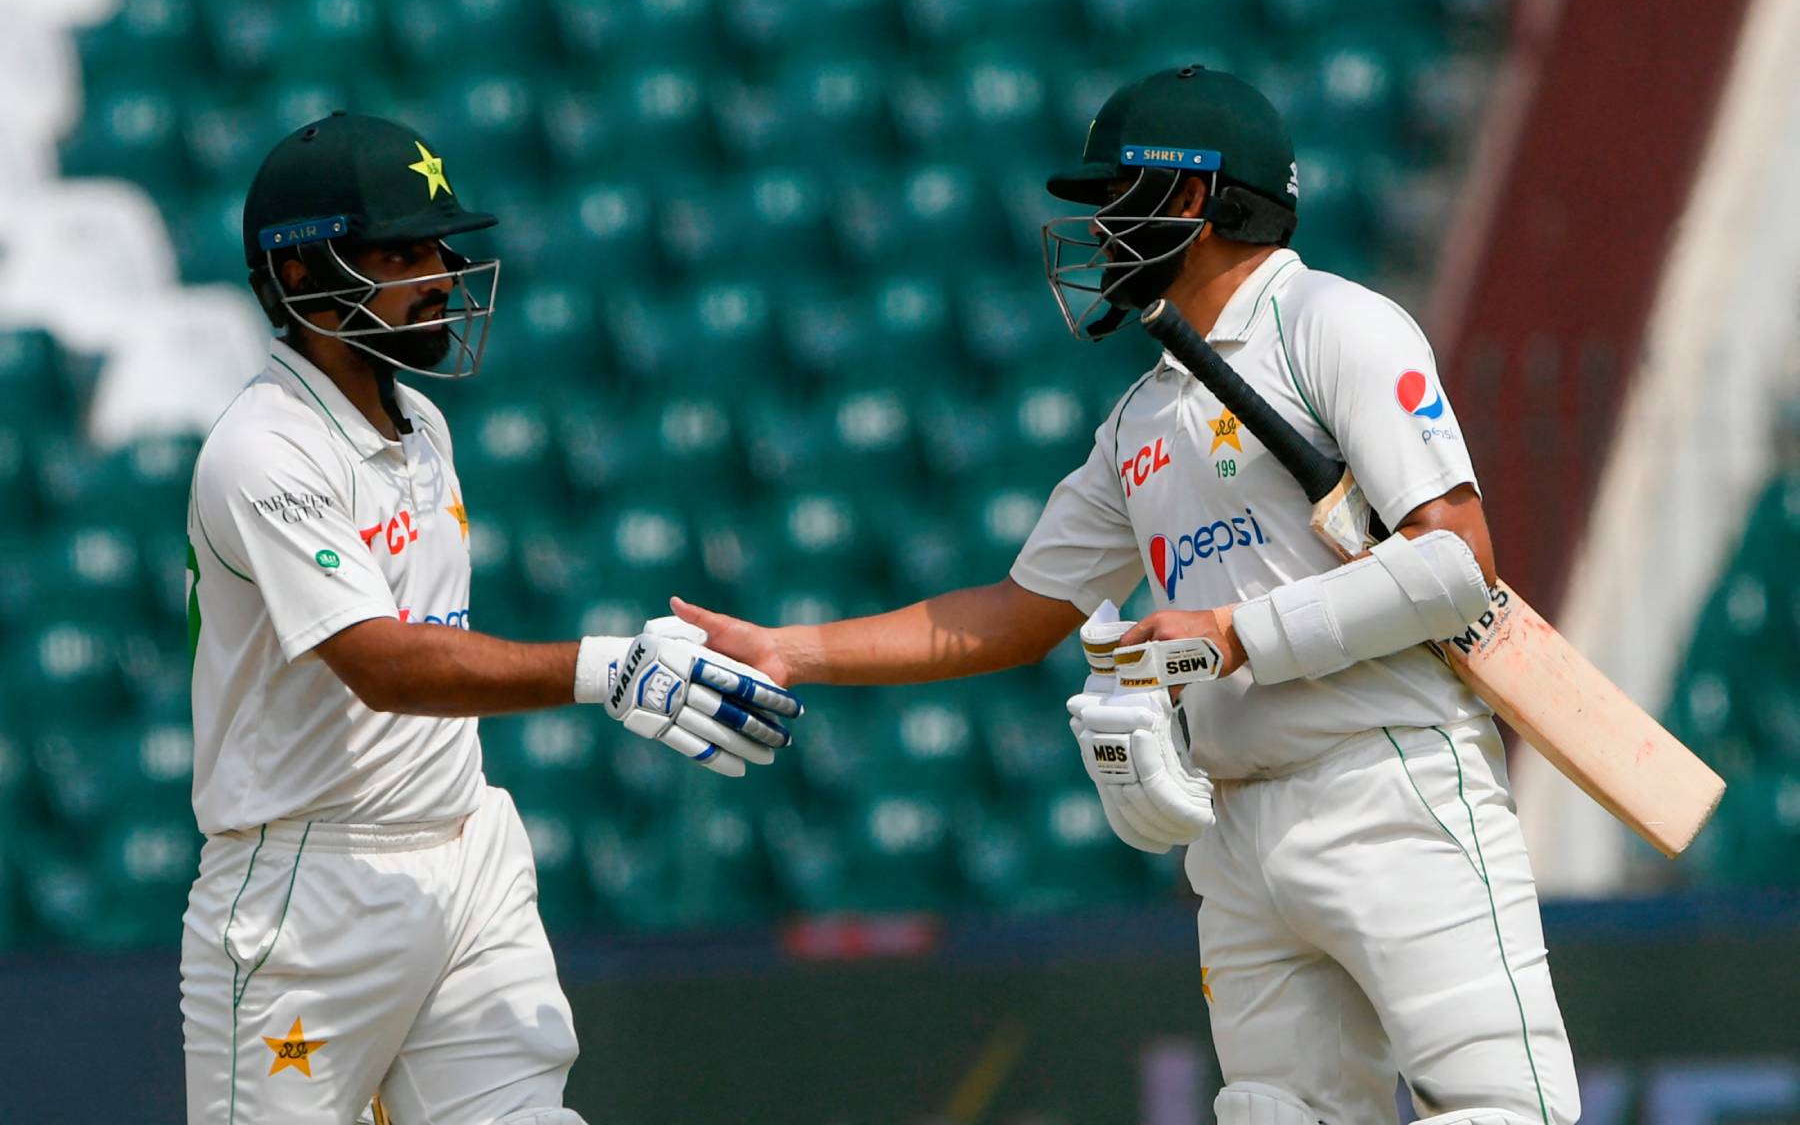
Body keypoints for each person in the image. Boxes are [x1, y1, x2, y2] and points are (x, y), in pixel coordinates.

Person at [673, 68, 1580, 1124]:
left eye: (1116, 199)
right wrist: (794, 650)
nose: (1098, 228)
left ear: (1192, 200)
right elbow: (1016, 613)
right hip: (1238, 823)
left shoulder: (1332, 323)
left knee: (1501, 1108)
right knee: (1278, 1113)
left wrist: (1238, 635)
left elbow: (1453, 561)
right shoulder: (1146, 417)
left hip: (1392, 782)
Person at [180, 111, 802, 1125]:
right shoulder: (262, 451)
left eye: (440, 249)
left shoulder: (419, 421)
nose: (439, 275)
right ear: (300, 277)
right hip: (306, 890)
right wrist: (611, 670)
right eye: (400, 253)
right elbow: (384, 666)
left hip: (466, 854)